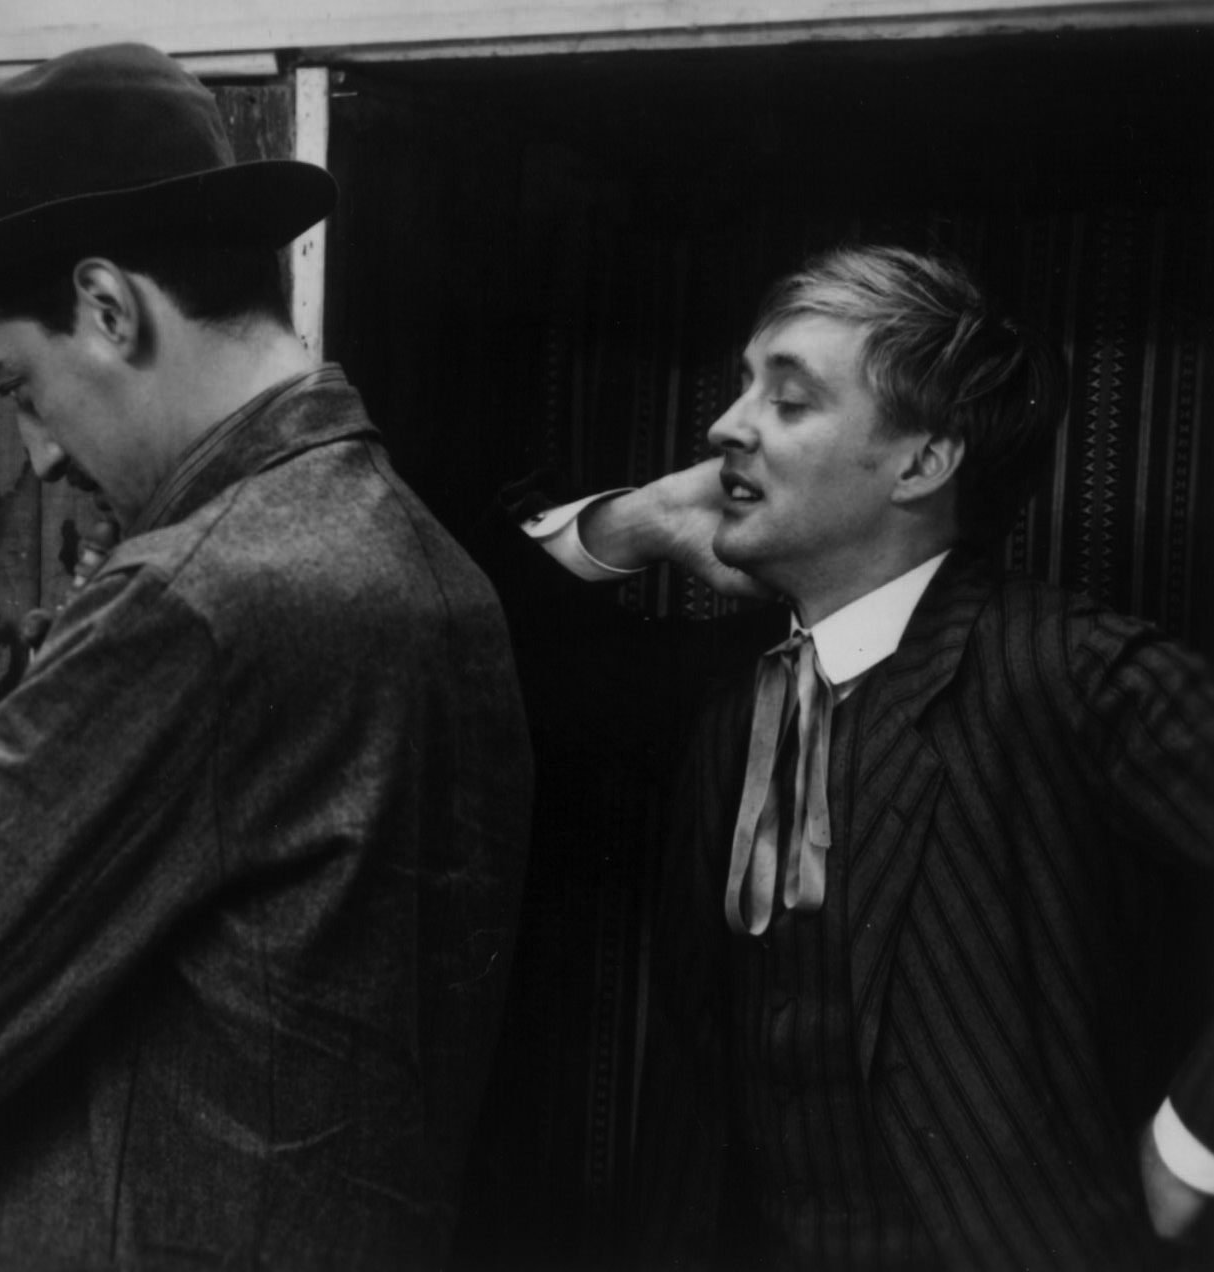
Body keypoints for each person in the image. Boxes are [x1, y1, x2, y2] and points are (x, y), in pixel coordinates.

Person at [0, 42, 534, 1271]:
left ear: (108, 308)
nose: (40, 455)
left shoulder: (193, 600)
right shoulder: (417, 559)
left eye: (20, 387)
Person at [520, 244, 1214, 1268]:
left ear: (923, 463)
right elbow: (456, 642)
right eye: (740, 386)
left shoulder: (1075, 672)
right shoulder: (721, 695)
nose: (723, 426)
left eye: (788, 400)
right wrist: (639, 521)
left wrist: (1192, 1147)